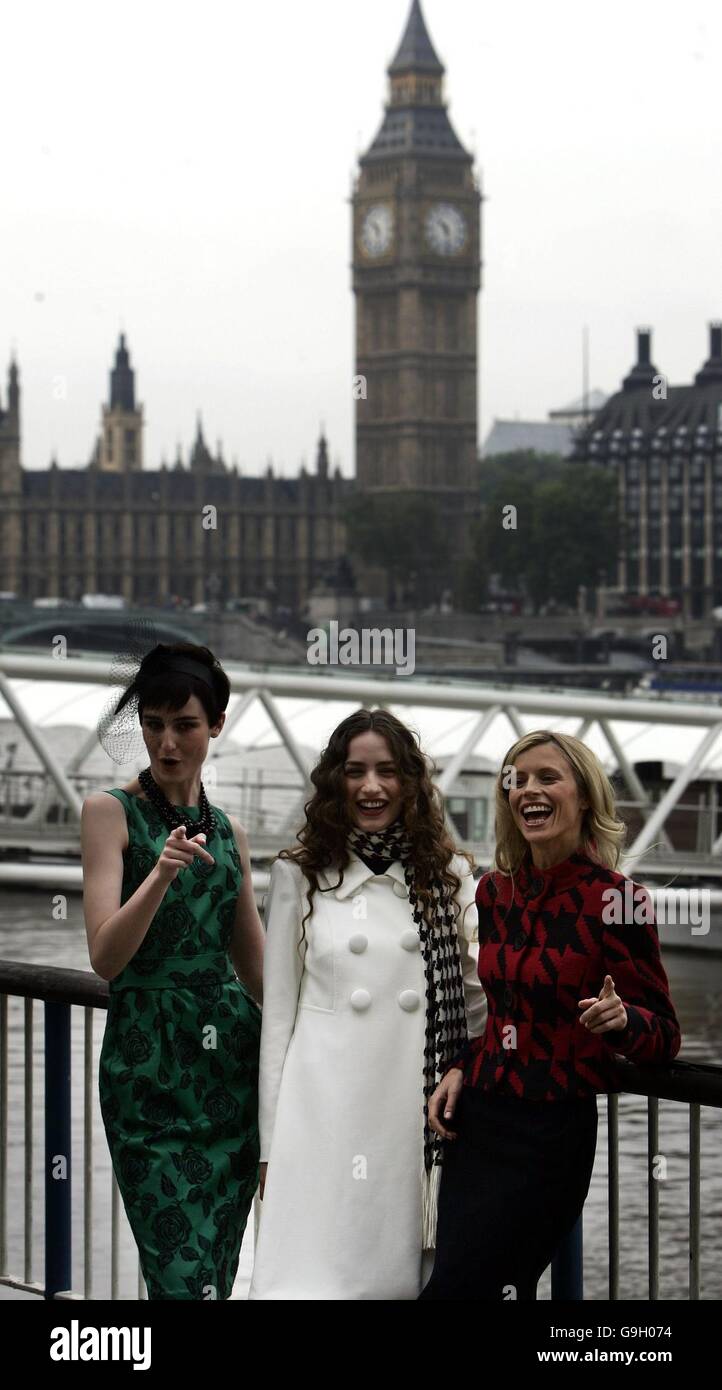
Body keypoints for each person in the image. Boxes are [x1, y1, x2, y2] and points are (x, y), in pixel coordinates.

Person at [420, 729, 681, 1301]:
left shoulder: (618, 899)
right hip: (481, 1122)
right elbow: (501, 1012)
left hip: (551, 1132)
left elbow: (663, 1037)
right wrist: (464, 1064)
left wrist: (621, 1021)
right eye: (517, 780)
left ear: (584, 796)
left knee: (480, 1288)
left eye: (547, 777)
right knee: (454, 1284)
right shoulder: (493, 894)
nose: (528, 790)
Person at [248, 709, 486, 1300]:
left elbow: (480, 995)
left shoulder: (451, 877)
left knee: (395, 1279)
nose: (371, 787)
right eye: (355, 771)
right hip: (320, 1121)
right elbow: (279, 1017)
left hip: (411, 1113)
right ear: (336, 781)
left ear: (410, 781)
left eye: (387, 771)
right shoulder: (298, 875)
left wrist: (464, 1068)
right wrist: (270, 1147)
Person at [81, 642, 264, 1299]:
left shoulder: (229, 832)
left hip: (230, 1068)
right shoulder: (110, 813)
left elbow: (257, 970)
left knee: (213, 1270)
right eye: (152, 724)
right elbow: (105, 957)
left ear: (215, 725)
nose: (166, 743)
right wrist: (160, 872)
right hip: (147, 1069)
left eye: (185, 725)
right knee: (179, 1274)